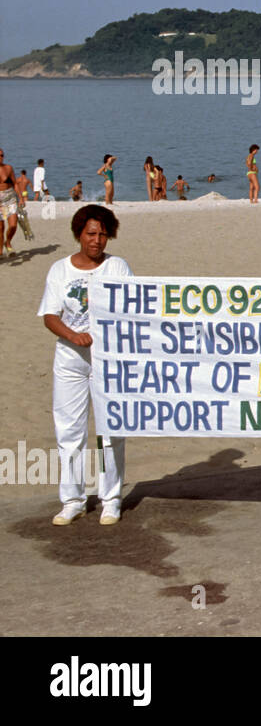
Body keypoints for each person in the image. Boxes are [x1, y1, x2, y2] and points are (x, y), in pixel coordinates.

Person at [39, 204, 133, 525]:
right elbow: (50, 315)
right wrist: (73, 335)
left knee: (110, 430)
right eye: (91, 234)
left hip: (109, 361)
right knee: (69, 430)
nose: (97, 240)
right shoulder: (60, 270)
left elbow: (131, 309)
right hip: (70, 360)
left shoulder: (118, 266)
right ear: (79, 234)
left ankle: (111, 499)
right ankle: (73, 500)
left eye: (103, 234)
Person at [0, 147, 25, 255]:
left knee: (13, 225)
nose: (1, 157)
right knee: (1, 227)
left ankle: (8, 242)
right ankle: (0, 251)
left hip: (10, 198)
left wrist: (21, 198)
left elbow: (15, 183)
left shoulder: (8, 168)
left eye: (2, 155)